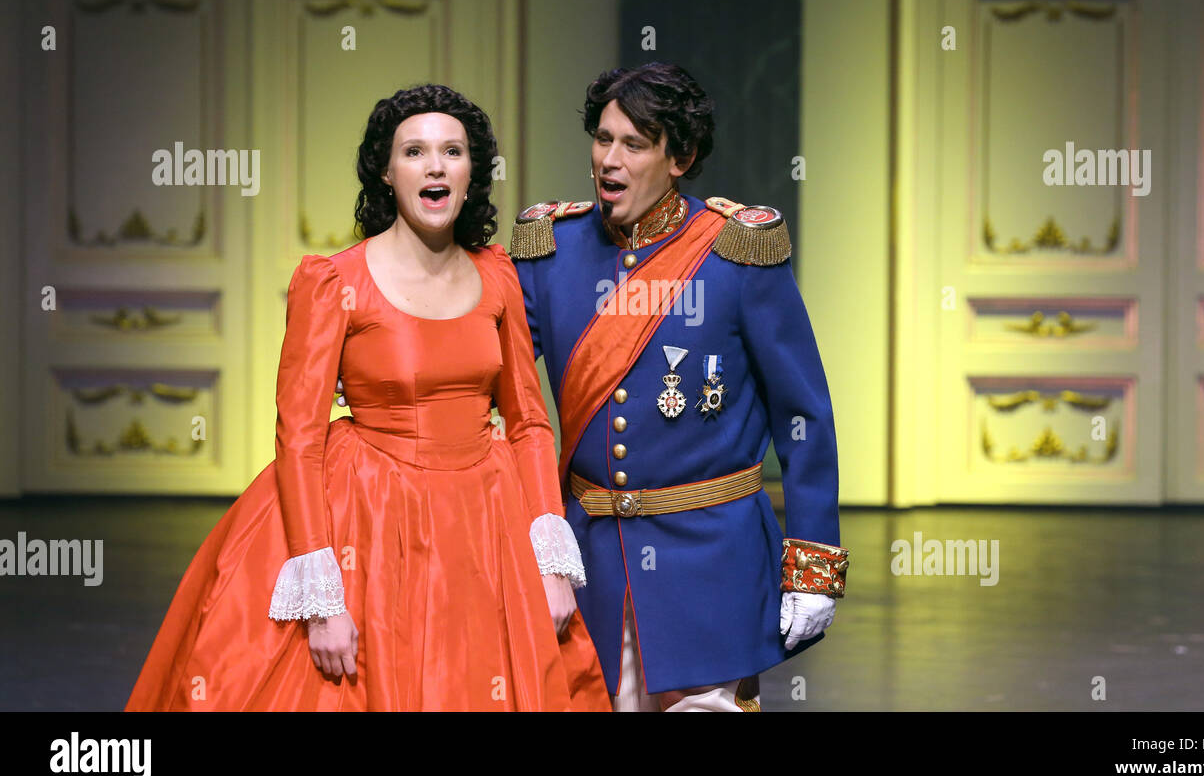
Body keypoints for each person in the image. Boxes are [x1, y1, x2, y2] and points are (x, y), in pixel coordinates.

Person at [342, 64, 850, 710]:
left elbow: (803, 414)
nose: (609, 159)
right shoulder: (550, 249)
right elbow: (482, 376)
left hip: (711, 566)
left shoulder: (734, 252)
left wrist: (813, 559)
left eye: (634, 144)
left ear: (680, 156)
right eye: (602, 138)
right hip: (592, 564)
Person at [125, 83, 610, 712]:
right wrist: (321, 596)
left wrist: (549, 560)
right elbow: (299, 435)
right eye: (414, 152)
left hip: (483, 521)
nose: (435, 166)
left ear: (470, 174)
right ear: (386, 173)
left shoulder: (497, 275)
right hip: (369, 515)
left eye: (452, 152)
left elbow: (528, 422)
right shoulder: (333, 282)